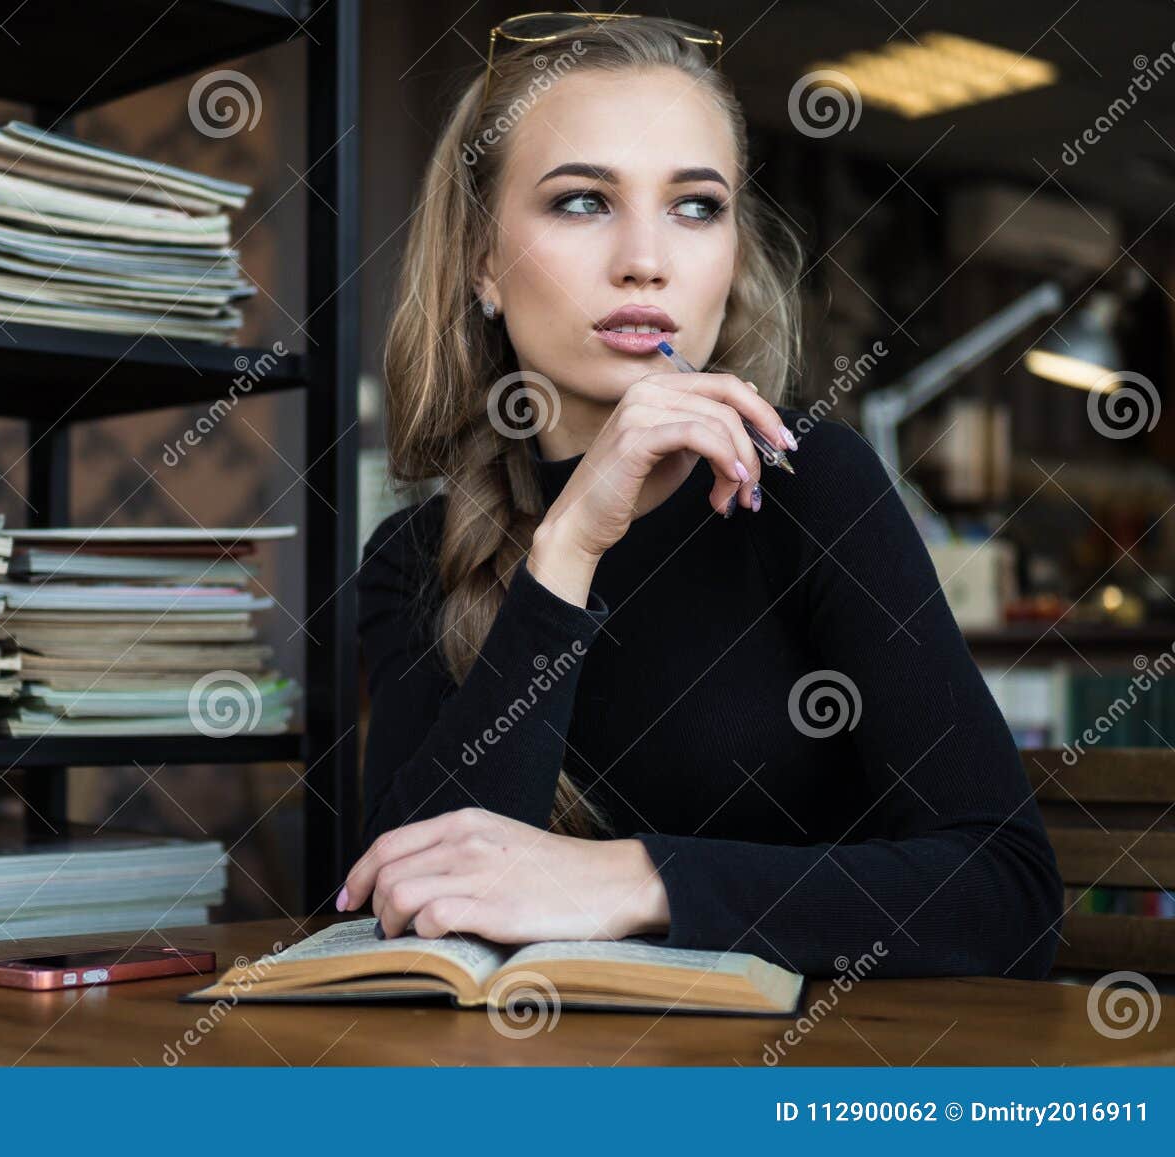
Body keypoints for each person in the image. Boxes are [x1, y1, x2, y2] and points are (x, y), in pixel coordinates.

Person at [335, 15, 1062, 979]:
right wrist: (566, 552)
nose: (647, 258)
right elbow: (401, 907)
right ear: (481, 264)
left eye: (695, 206)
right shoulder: (413, 558)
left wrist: (636, 881)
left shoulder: (813, 488)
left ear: (731, 252)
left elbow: (1008, 893)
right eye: (584, 201)